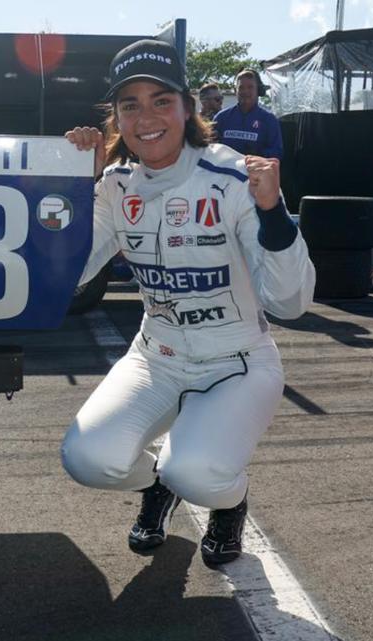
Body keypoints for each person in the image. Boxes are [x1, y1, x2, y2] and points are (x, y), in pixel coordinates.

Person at [61, 39, 315, 567]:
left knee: (197, 472)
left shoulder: (234, 178)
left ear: (188, 108)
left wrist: (272, 212)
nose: (146, 117)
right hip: (156, 355)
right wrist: (73, 184)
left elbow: (290, 304)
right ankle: (157, 485)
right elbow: (72, 276)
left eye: (161, 101)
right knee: (88, 458)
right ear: (117, 118)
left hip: (239, 362)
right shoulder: (113, 183)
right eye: (130, 105)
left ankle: (230, 501)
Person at [212, 69, 283, 159]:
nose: (245, 91)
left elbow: (277, 153)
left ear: (258, 90)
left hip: (255, 171)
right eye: (241, 87)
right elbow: (209, 149)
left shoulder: (269, 120)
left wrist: (259, 154)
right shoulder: (221, 118)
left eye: (250, 87)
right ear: (235, 91)